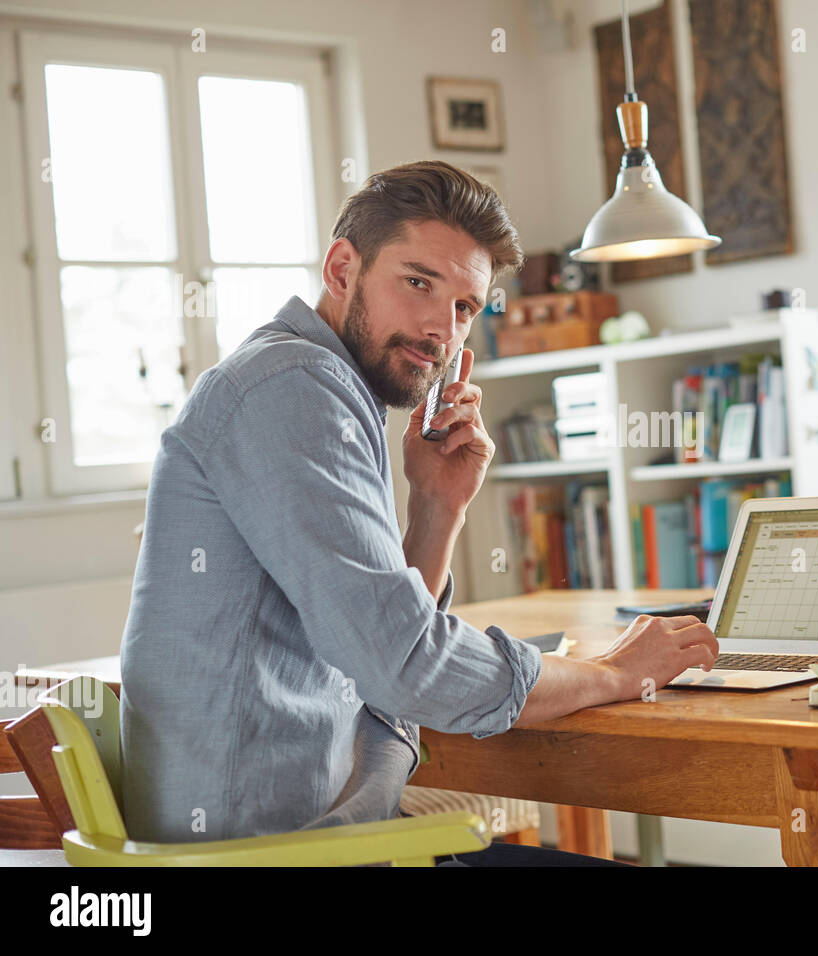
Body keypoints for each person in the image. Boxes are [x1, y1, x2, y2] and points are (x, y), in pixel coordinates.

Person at [119, 161, 718, 865]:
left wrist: (437, 505)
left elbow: (376, 644)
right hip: (273, 855)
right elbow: (403, 664)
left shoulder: (323, 384)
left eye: (466, 306)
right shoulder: (295, 388)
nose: (442, 328)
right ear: (343, 268)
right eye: (417, 282)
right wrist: (617, 675)